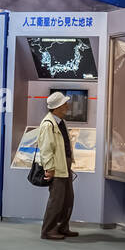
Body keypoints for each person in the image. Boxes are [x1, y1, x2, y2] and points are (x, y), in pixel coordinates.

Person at [37, 91, 78, 240]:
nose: (67, 106)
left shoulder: (60, 122)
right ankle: (48, 230)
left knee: (68, 198)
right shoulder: (48, 124)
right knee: (56, 199)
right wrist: (49, 168)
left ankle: (62, 227)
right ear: (57, 107)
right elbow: (46, 149)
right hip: (56, 168)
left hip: (64, 165)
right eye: (64, 104)